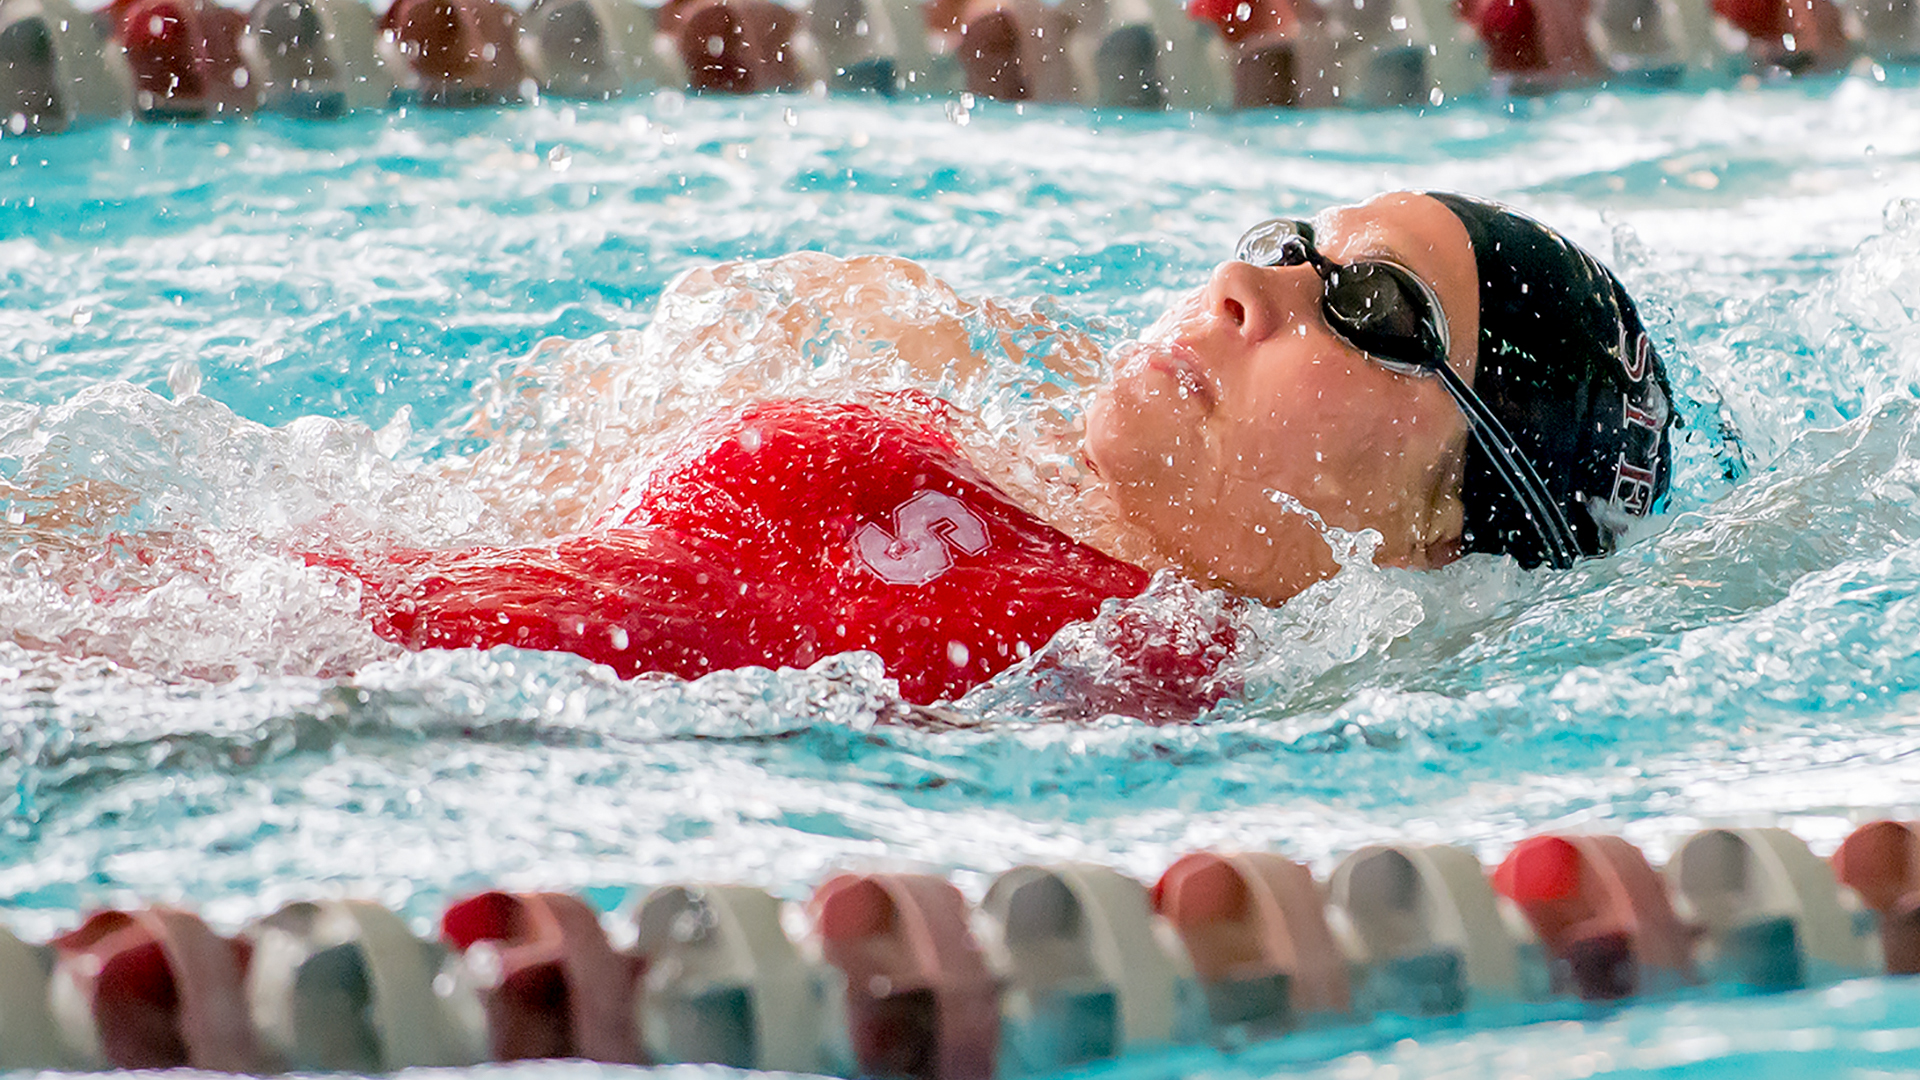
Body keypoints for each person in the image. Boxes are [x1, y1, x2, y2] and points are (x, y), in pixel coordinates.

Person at [318, 191, 1674, 718]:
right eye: (1289, 243)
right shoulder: (1020, 478)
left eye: (1374, 312)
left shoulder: (1137, 666)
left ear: (1442, 531)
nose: (1252, 289)